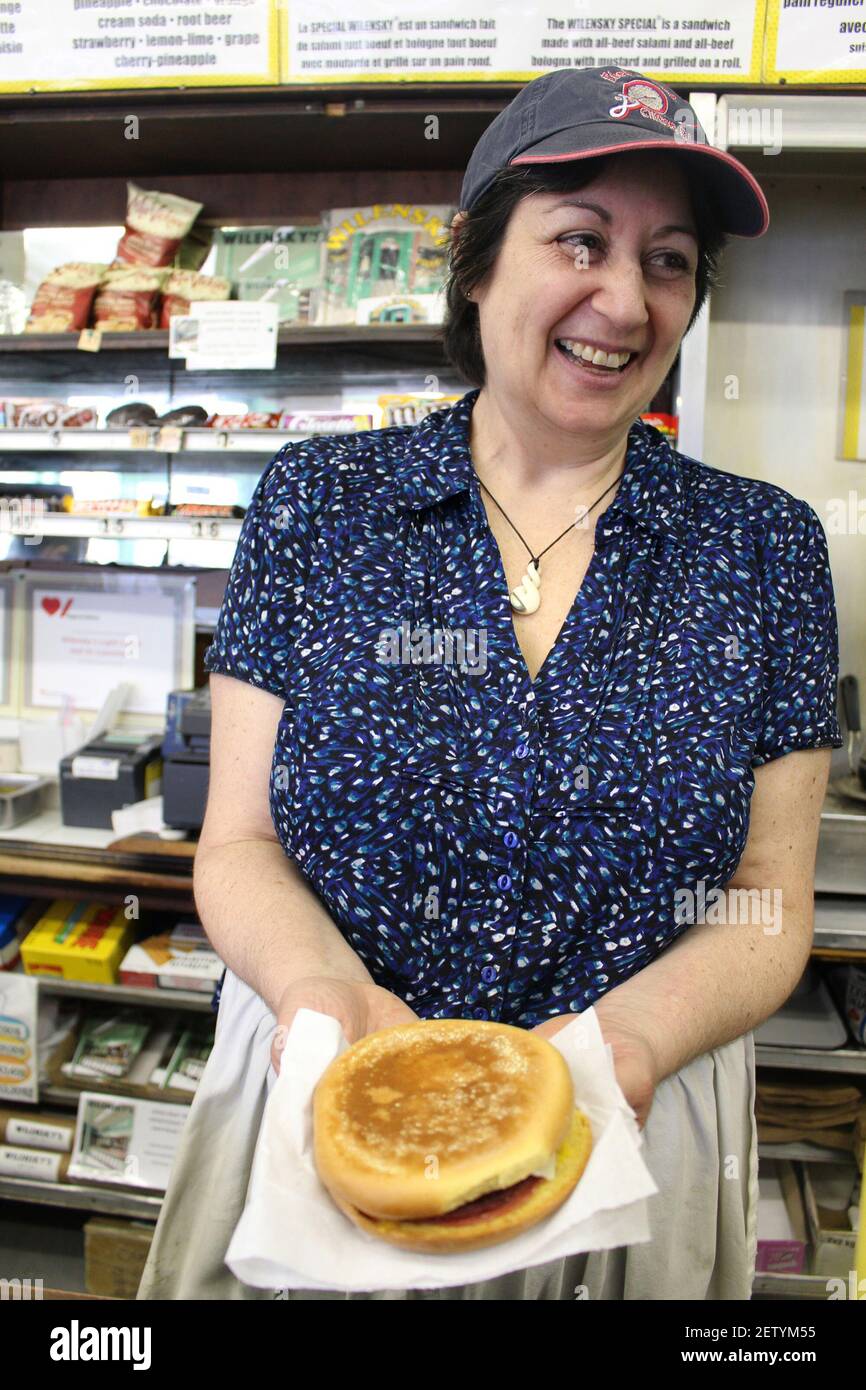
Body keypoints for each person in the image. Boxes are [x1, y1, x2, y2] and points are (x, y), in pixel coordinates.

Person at [137, 66, 843, 1301]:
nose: (622, 300)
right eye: (579, 240)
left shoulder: (764, 547)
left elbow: (765, 899)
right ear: (474, 264)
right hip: (330, 1106)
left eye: (667, 261)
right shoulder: (320, 507)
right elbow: (238, 839)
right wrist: (322, 993)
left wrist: (622, 1045)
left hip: (628, 1124)